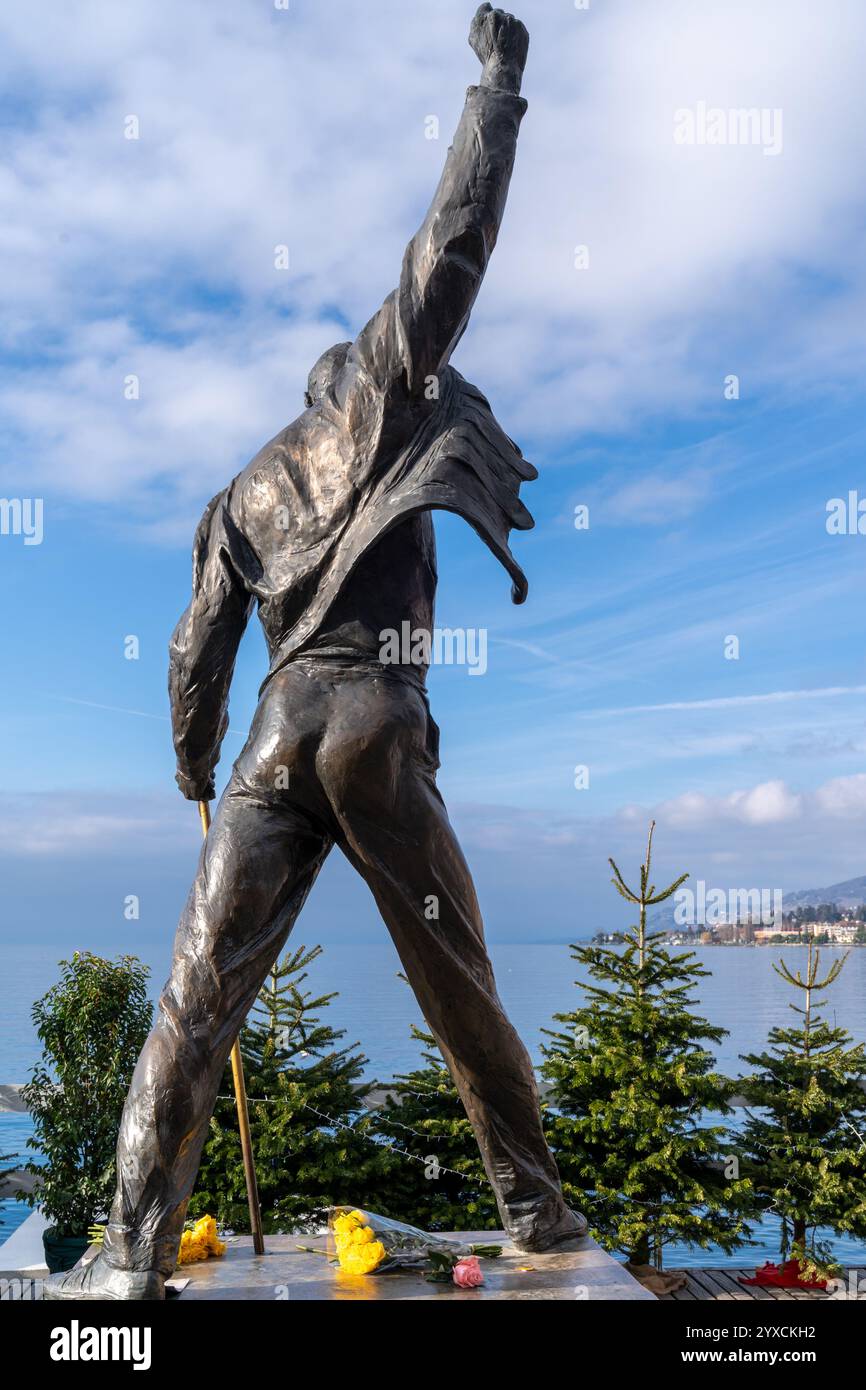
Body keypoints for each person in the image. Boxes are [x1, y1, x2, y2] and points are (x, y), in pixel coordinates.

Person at [46, 5, 585, 1301]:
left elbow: (195, 656)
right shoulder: (384, 394)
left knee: (194, 1002)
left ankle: (126, 1257)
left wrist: (194, 767)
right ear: (357, 379)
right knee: (456, 983)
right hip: (374, 729)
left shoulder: (239, 494)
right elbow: (451, 244)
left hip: (273, 740)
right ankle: (537, 1213)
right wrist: (497, 92)